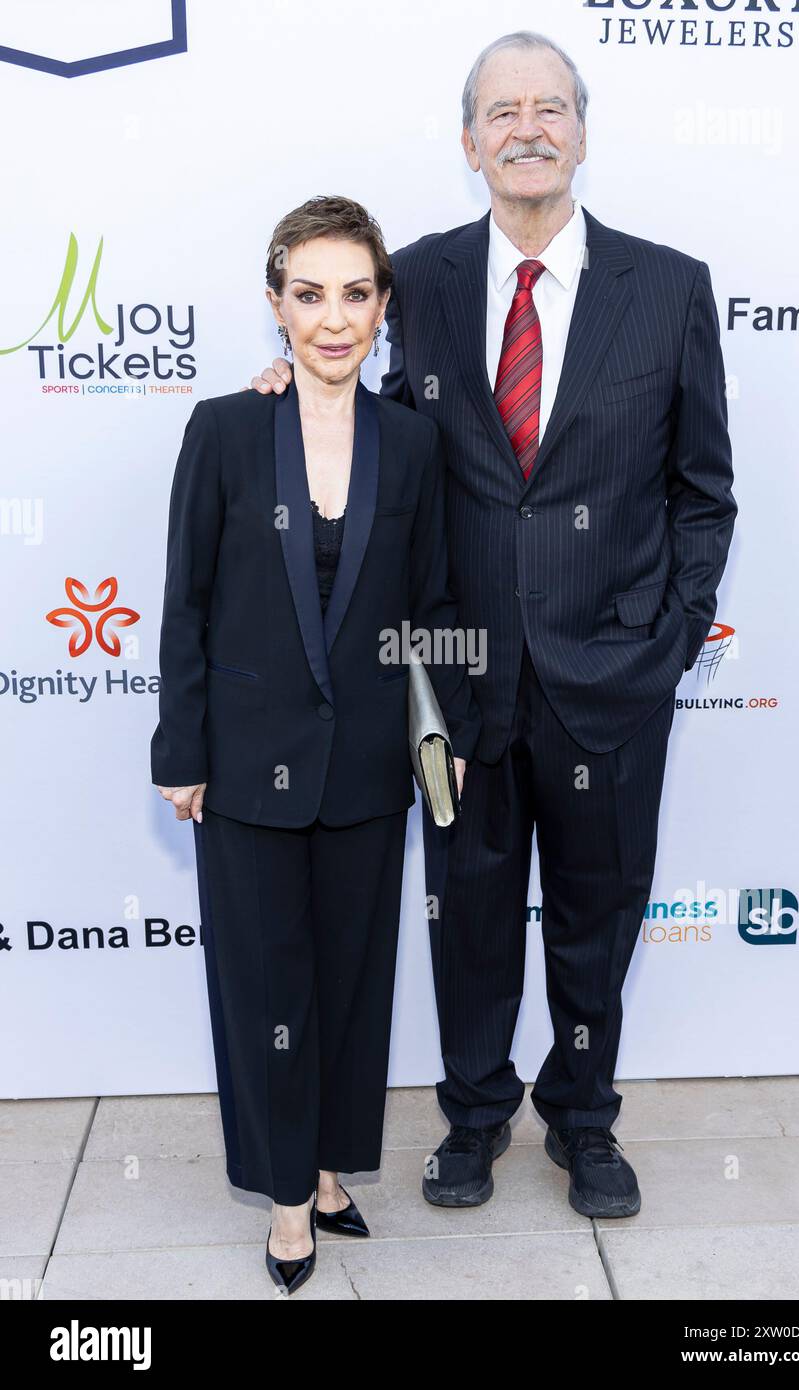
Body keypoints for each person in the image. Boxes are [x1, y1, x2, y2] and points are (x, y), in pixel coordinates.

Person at [249, 31, 737, 1222]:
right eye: (501, 110)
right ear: (468, 141)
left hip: (610, 670)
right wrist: (290, 385)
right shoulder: (410, 279)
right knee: (465, 908)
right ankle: (472, 1118)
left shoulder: (667, 285)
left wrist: (666, 635)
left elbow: (702, 490)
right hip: (447, 679)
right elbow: (342, 374)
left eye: (549, 106)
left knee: (595, 907)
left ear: (580, 129)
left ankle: (583, 1117)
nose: (527, 126)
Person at [152, 195, 480, 1294]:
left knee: (348, 983)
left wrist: (454, 735)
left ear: (382, 307)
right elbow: (186, 602)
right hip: (244, 760)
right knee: (264, 985)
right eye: (308, 294)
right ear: (275, 303)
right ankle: (288, 1199)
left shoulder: (414, 442)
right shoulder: (227, 429)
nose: (331, 319)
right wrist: (178, 748)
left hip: (367, 768)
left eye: (354, 295)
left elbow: (432, 599)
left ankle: (333, 1171)